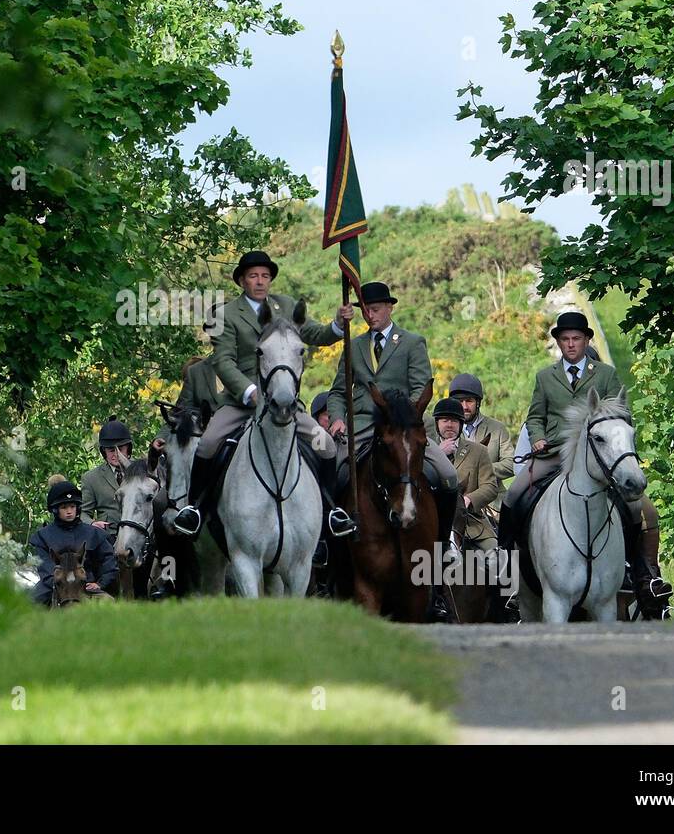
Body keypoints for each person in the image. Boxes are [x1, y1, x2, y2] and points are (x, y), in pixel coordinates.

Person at [168, 250, 353, 538]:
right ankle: (195, 510)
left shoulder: (287, 306)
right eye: (253, 276)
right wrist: (249, 391)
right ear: (242, 280)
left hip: (285, 402)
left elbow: (315, 335)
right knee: (207, 445)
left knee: (326, 445)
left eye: (265, 276)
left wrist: (338, 325)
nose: (260, 281)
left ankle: (330, 512)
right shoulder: (224, 314)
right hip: (240, 403)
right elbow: (223, 360)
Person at [497, 311, 671, 618]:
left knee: (638, 508)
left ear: (586, 340)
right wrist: (536, 436)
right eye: (565, 339)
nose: (571, 344)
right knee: (513, 497)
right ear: (559, 343)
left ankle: (641, 575)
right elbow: (535, 416)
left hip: (597, 457)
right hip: (552, 453)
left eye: (576, 339)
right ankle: (507, 576)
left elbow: (620, 416)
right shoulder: (545, 377)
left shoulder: (604, 375)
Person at [326, 279, 462, 619]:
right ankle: (329, 548)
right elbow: (338, 392)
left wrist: (408, 414)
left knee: (446, 477)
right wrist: (339, 419)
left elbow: (421, 384)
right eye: (365, 310)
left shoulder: (413, 343)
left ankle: (442, 547)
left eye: (375, 308)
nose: (370, 314)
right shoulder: (352, 345)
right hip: (362, 427)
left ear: (390, 308)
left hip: (403, 426)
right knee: (334, 472)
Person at [28, 476, 119, 605]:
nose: (69, 511)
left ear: (78, 508)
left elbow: (109, 561)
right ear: (55, 510)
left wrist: (100, 583)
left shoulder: (95, 534)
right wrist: (58, 581)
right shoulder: (42, 536)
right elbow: (44, 565)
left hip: (86, 586)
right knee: (31, 605)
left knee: (109, 604)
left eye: (72, 506)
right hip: (54, 585)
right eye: (64, 508)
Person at [433, 398, 500, 551]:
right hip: (433, 523)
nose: (450, 424)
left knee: (498, 557)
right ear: (437, 423)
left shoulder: (479, 451)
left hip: (471, 523)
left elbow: (490, 487)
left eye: (454, 421)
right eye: (445, 420)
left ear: (461, 424)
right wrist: (438, 454)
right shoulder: (426, 451)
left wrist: (469, 499)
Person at [445, 373, 516, 510]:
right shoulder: (445, 430)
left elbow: (511, 463)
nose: (464, 406)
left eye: (469, 401)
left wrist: (482, 470)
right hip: (455, 502)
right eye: (459, 401)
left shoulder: (497, 428)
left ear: (478, 402)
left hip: (493, 502)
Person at [81, 417, 135, 542]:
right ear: (103, 452)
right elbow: (83, 513)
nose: (116, 454)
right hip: (108, 538)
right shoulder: (91, 478)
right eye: (111, 450)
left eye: (120, 449)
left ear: (128, 449)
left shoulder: (141, 471)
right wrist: (92, 524)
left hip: (138, 534)